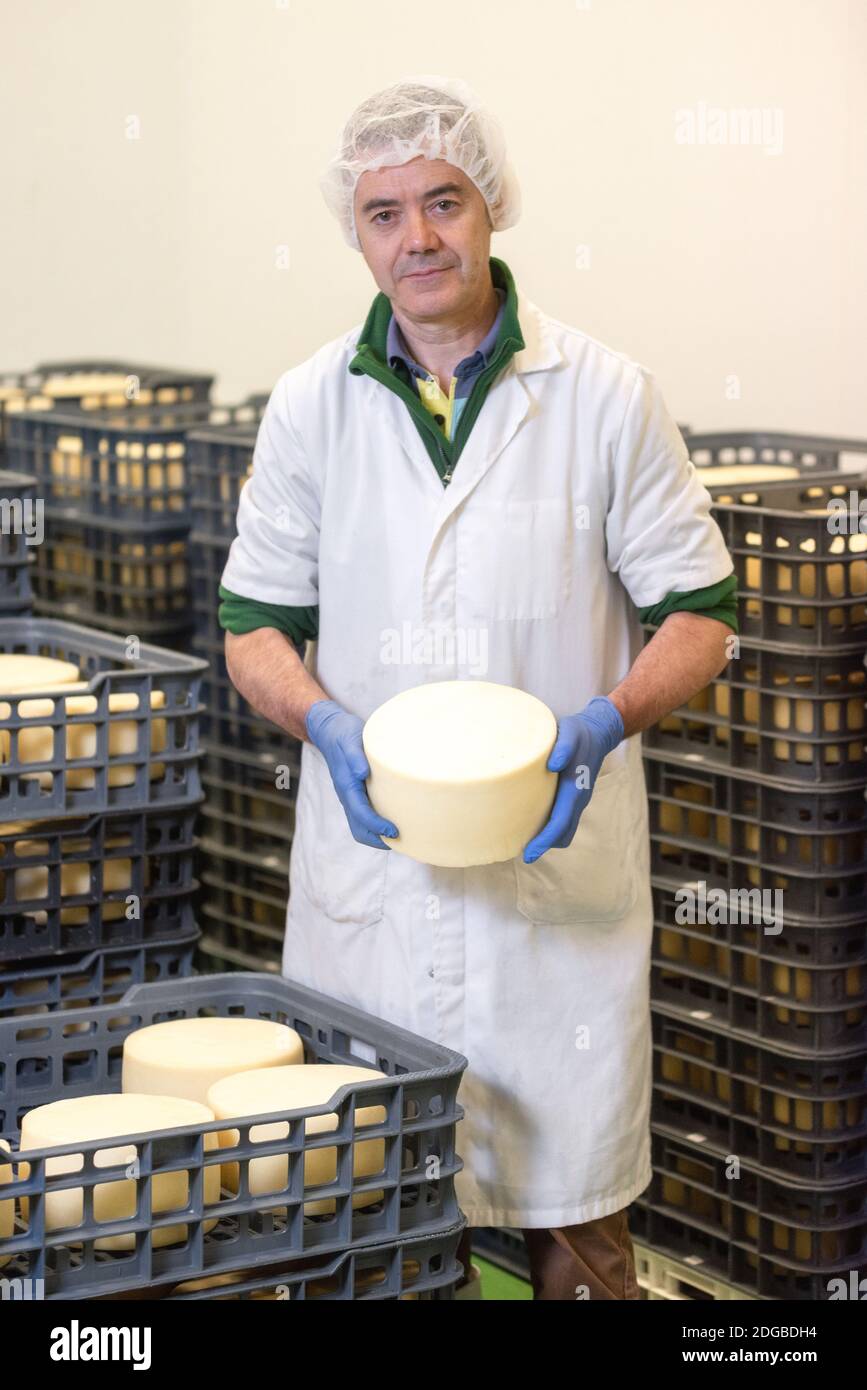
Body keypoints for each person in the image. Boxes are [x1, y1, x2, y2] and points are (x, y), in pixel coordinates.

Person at [219, 76, 738, 1301]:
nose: (418, 238)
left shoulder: (605, 394)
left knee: (580, 1234)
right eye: (385, 213)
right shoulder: (310, 407)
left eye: (442, 202)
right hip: (376, 887)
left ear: (490, 205)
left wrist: (603, 722)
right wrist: (324, 723)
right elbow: (252, 625)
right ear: (357, 234)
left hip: (555, 892)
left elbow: (704, 616)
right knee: (383, 1215)